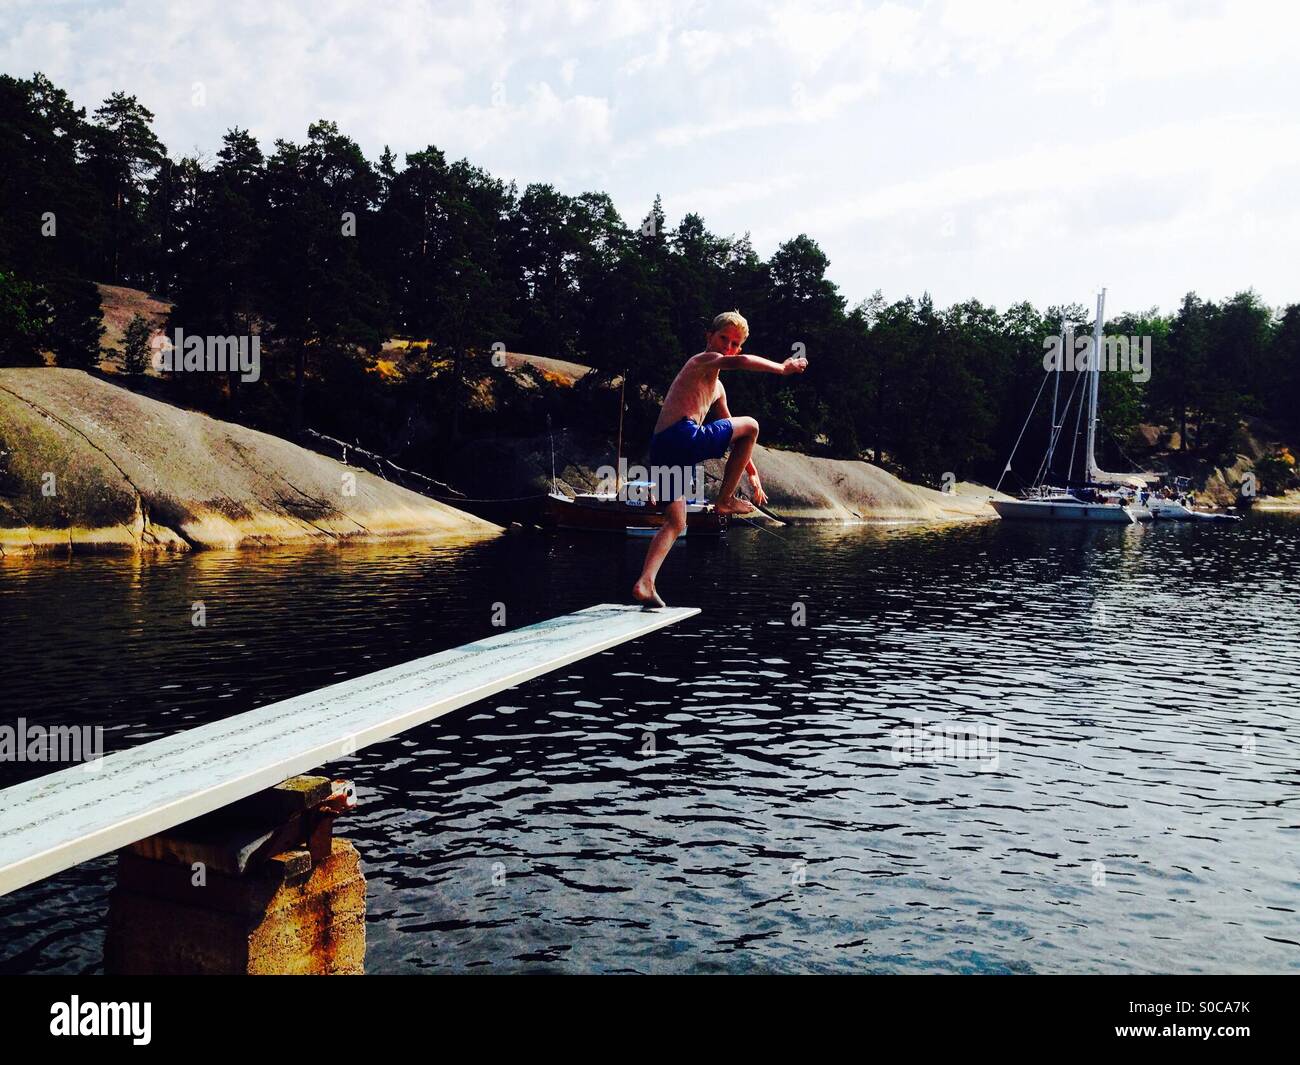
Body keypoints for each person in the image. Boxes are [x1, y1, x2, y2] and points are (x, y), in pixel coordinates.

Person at [631, 310, 807, 608]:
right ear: (708, 337)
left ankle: (645, 583)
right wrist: (782, 368)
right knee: (752, 424)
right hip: (680, 437)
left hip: (664, 448)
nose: (728, 347)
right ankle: (724, 499)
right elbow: (737, 366)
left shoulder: (718, 388)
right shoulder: (699, 361)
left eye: (735, 343)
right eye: (723, 338)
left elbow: (729, 425)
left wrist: (751, 470)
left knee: (675, 522)